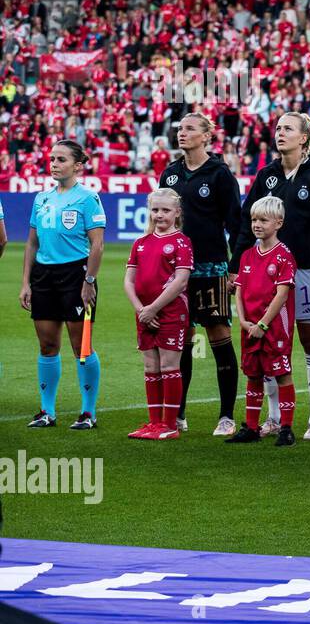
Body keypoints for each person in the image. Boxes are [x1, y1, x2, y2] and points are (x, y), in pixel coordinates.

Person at [231, 113, 310, 442]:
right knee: (265, 343)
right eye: (278, 128)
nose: (280, 133)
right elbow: (244, 219)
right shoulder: (267, 174)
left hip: (305, 268)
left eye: (288, 129)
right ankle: (275, 417)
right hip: (264, 272)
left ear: (305, 138)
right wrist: (235, 263)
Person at [160, 113, 243, 437]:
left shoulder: (219, 174)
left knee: (219, 337)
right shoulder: (170, 174)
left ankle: (226, 416)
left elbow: (236, 225)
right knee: (181, 341)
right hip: (176, 269)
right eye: (180, 129)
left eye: (190, 129)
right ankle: (178, 413)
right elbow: (159, 223)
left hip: (211, 266)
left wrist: (234, 267)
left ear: (207, 136)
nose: (182, 133)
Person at [20, 140, 106, 431]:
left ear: (78, 166)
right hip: (43, 276)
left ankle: (88, 413)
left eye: (61, 159)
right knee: (47, 346)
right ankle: (47, 411)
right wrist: (26, 283)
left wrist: (89, 281)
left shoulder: (87, 198)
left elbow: (97, 244)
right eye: (52, 158)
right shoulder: (41, 198)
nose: (54, 163)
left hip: (75, 274)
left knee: (80, 347)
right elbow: (32, 243)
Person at [225, 196, 298, 447]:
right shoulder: (246, 255)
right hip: (249, 327)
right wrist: (243, 320)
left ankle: (286, 428)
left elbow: (282, 294)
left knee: (282, 374)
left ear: (278, 223)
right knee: (253, 374)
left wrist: (263, 324)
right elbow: (239, 290)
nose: (257, 224)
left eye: (263, 220)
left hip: (274, 328)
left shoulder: (284, 256)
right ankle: (251, 427)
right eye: (254, 219)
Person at [123, 189, 193, 440]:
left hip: (171, 312)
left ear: (177, 213)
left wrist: (153, 308)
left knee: (168, 365)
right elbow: (128, 281)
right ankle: (154, 423)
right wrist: (141, 310)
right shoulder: (140, 243)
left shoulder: (181, 242)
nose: (159, 215)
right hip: (144, 314)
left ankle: (170, 424)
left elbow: (181, 280)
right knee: (151, 366)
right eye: (155, 210)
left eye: (165, 210)